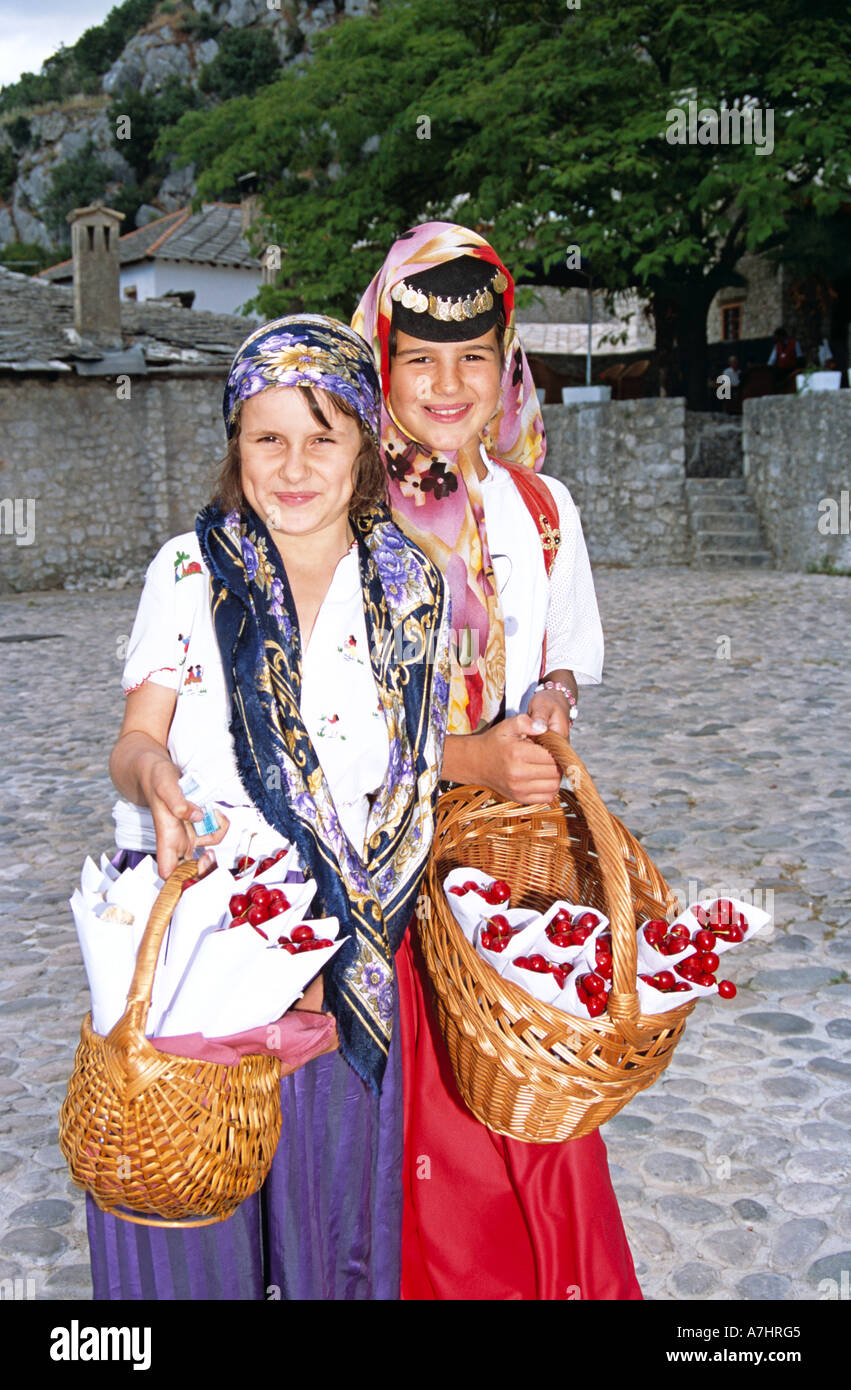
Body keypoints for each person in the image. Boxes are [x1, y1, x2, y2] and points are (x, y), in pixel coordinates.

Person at [85, 314, 451, 1299]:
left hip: (337, 953)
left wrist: (337, 953)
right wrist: (154, 783)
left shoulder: (408, 588)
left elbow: (407, 789)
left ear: (365, 444)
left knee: (331, 1236)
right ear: (235, 444)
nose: (293, 466)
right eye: (267, 437)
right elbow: (136, 741)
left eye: (322, 437)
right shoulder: (188, 570)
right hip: (196, 943)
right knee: (187, 1225)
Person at [352, 222, 642, 1301]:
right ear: (380, 360)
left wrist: (552, 702)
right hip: (384, 874)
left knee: (534, 1096)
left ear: (504, 361)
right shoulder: (345, 516)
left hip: (508, 872)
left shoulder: (540, 508)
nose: (447, 384)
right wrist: (469, 754)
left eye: (472, 357)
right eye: (418, 358)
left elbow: (564, 653)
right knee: (433, 1132)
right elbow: (318, 715)